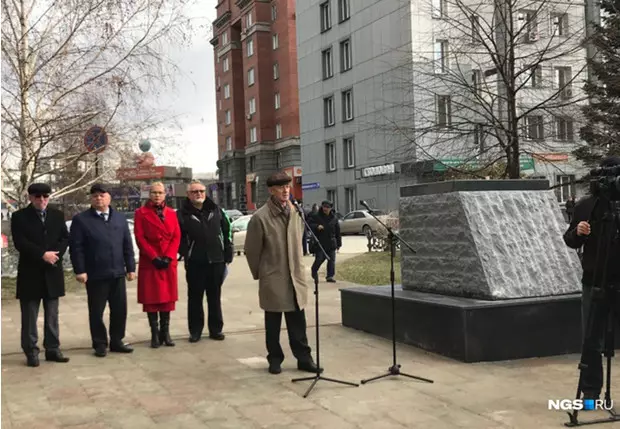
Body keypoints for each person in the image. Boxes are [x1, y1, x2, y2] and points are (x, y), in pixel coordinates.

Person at [244, 171, 322, 375]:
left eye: (288, 187)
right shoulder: (260, 217)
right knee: (273, 323)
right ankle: (275, 359)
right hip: (273, 276)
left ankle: (304, 359)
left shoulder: (296, 211)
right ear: (271, 191)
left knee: (298, 322)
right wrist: (261, 273)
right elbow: (251, 250)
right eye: (281, 188)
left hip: (295, 276)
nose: (286, 191)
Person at [563, 156, 620, 402]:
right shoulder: (587, 205)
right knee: (591, 339)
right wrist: (578, 231)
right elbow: (570, 240)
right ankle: (590, 391)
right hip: (594, 280)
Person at [69, 184, 136, 357]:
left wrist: (131, 268)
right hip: (95, 273)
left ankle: (117, 340)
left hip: (117, 272)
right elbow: (77, 248)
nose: (98, 198)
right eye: (95, 196)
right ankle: (99, 343)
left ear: (109, 197)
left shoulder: (119, 218)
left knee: (120, 309)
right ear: (91, 199)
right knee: (97, 311)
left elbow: (127, 245)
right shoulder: (81, 220)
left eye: (102, 195)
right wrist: (80, 270)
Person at [10, 183, 70, 367]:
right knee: (30, 315)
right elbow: (20, 242)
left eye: (45, 197)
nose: (42, 200)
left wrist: (55, 255)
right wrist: (42, 254)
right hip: (31, 272)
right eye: (38, 197)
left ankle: (52, 348)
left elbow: (64, 238)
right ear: (30, 198)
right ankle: (31, 350)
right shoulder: (19, 217)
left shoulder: (57, 215)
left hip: (52, 271)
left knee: (52, 314)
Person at [177, 180, 233, 343]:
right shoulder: (182, 214)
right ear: (188, 194)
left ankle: (216, 329)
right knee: (195, 298)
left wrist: (227, 252)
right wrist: (185, 252)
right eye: (194, 192)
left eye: (201, 191)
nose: (198, 194)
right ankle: (195, 331)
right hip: (195, 262)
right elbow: (178, 237)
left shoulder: (216, 210)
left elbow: (227, 230)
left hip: (216, 261)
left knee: (214, 297)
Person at [134, 182, 181, 348]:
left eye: (160, 193)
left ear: (165, 194)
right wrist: (154, 257)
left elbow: (176, 236)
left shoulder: (172, 214)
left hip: (168, 262)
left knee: (167, 298)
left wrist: (169, 256)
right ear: (149, 194)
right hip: (150, 261)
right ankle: (154, 333)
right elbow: (140, 238)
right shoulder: (140, 213)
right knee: (152, 298)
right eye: (154, 192)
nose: (157, 196)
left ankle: (165, 332)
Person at [309, 200, 342, 283]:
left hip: (331, 242)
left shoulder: (334, 218)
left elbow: (338, 232)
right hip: (320, 242)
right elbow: (309, 224)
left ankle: (330, 276)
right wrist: (317, 226)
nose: (325, 209)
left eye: (327, 207)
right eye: (324, 207)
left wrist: (339, 244)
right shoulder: (317, 216)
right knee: (319, 259)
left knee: (331, 260)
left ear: (331, 208)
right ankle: (314, 270)